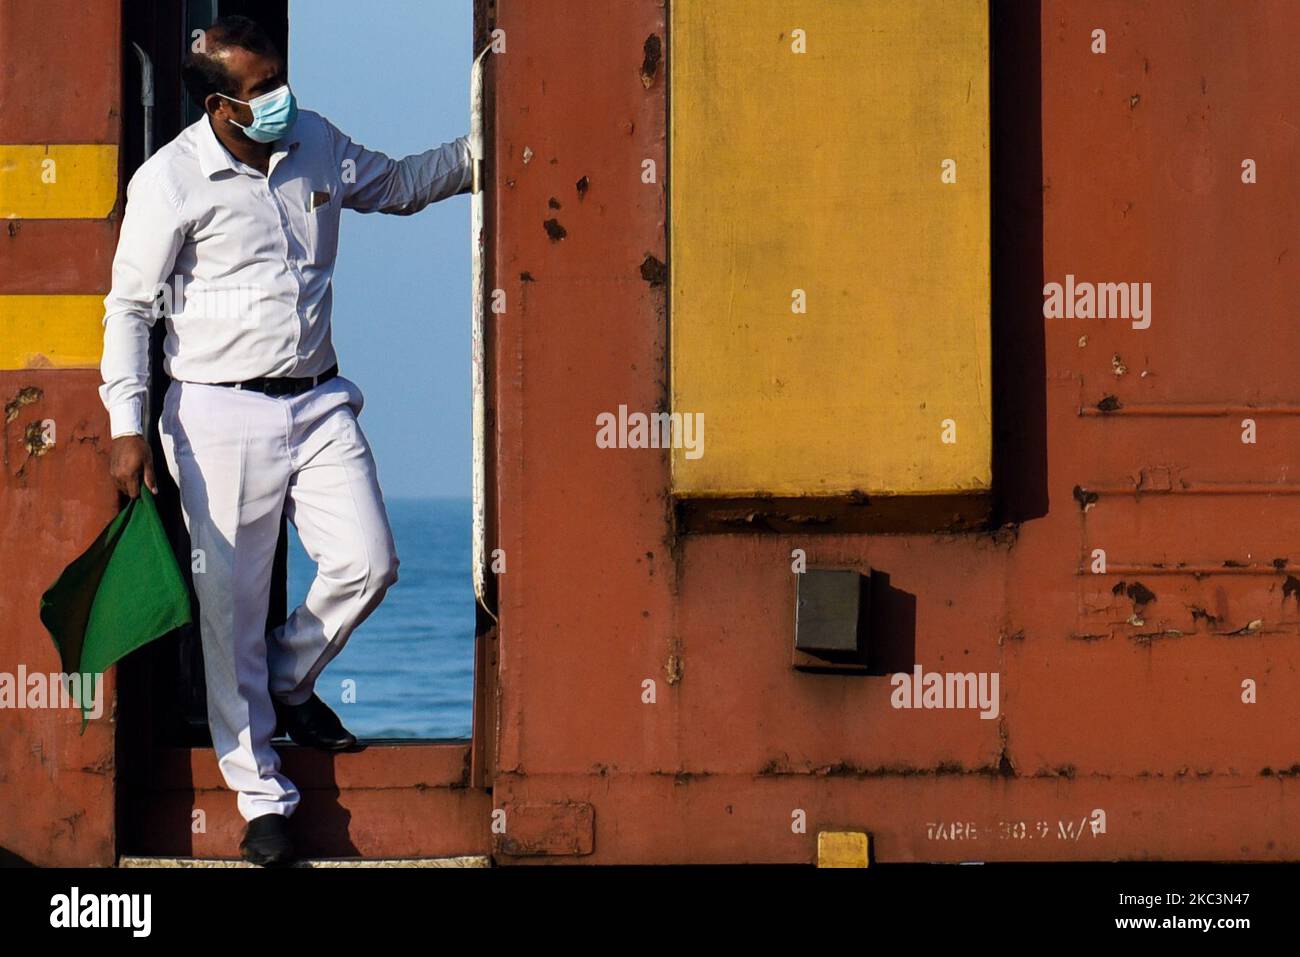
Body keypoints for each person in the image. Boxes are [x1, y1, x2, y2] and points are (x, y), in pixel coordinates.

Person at [98, 14, 475, 866]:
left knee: (368, 561)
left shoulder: (316, 142)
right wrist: (128, 427)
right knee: (228, 607)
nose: (283, 99)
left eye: (280, 80)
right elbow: (127, 307)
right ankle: (262, 800)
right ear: (222, 107)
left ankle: (285, 677)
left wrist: (483, 147)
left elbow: (401, 183)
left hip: (319, 399)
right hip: (216, 414)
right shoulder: (172, 182)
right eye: (263, 90)